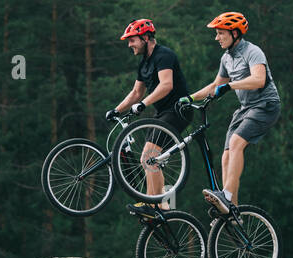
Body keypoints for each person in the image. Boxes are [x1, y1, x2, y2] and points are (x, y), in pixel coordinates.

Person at [185, 12, 281, 213]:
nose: (217, 38)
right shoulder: (226, 58)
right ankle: (232, 210)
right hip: (245, 108)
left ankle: (226, 194)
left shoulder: (253, 51)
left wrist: (230, 86)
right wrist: (190, 98)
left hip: (265, 105)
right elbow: (214, 86)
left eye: (221, 33)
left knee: (237, 142)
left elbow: (259, 80)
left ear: (235, 33)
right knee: (227, 154)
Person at [105, 18, 189, 216]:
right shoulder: (144, 63)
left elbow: (166, 85)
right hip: (161, 114)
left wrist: (143, 104)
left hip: (177, 111)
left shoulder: (164, 55)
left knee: (149, 156)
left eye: (132, 40)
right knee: (149, 158)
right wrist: (117, 110)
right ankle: (156, 204)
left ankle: (156, 204)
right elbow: (136, 92)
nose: (129, 45)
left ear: (145, 37)